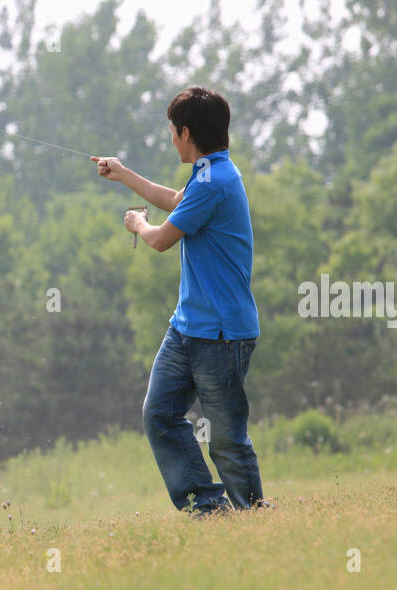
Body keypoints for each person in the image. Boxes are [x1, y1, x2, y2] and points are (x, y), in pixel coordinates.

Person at [92, 86, 267, 515]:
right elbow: (178, 201)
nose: (171, 138)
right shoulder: (212, 172)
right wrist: (124, 174)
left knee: (226, 438)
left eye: (172, 130)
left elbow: (162, 240)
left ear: (186, 132)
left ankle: (253, 511)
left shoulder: (215, 180)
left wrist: (138, 224)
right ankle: (207, 507)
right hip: (187, 327)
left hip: (222, 333)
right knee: (160, 415)